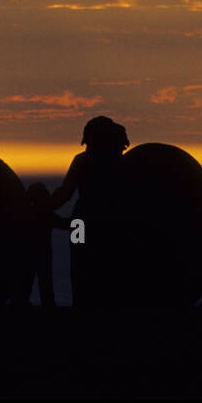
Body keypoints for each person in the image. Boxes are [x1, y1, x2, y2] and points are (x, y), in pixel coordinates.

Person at [50, 116, 129, 306]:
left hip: (83, 223)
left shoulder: (82, 161)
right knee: (106, 273)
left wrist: (44, 211)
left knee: (81, 271)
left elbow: (65, 194)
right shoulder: (123, 165)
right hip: (107, 225)